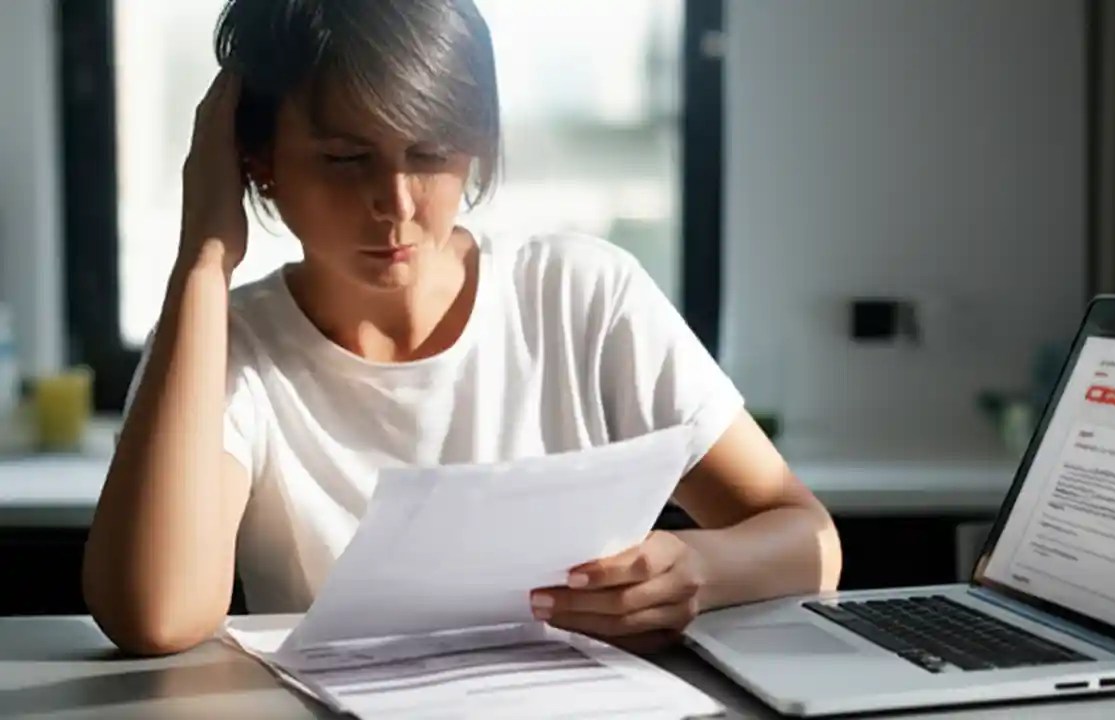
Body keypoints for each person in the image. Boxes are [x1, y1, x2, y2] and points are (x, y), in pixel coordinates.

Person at [82, 0, 842, 657]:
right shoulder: (224, 342)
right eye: (346, 159)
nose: (399, 203)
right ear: (259, 164)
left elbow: (807, 539)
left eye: (431, 153)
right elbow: (156, 615)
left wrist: (699, 569)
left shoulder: (581, 295)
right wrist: (203, 259)